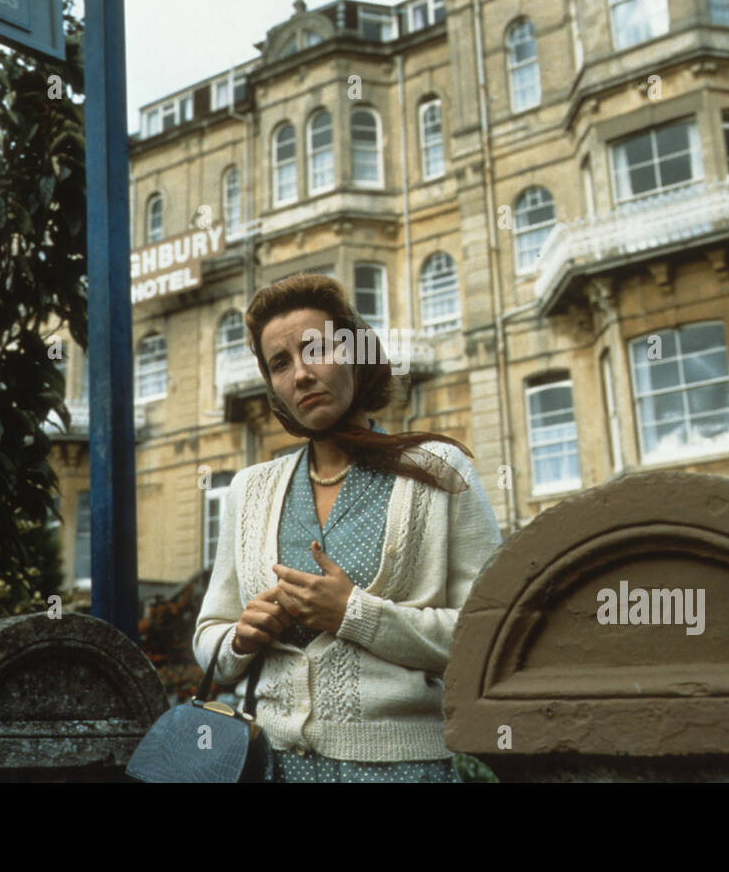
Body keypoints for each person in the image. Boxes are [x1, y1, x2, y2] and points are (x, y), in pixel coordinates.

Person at [193, 273, 503, 782]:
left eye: (317, 349)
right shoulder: (250, 490)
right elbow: (209, 635)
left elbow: (488, 631)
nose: (302, 374)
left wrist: (353, 613)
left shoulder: (438, 470)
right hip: (273, 768)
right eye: (280, 363)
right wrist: (239, 639)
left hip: (403, 769)